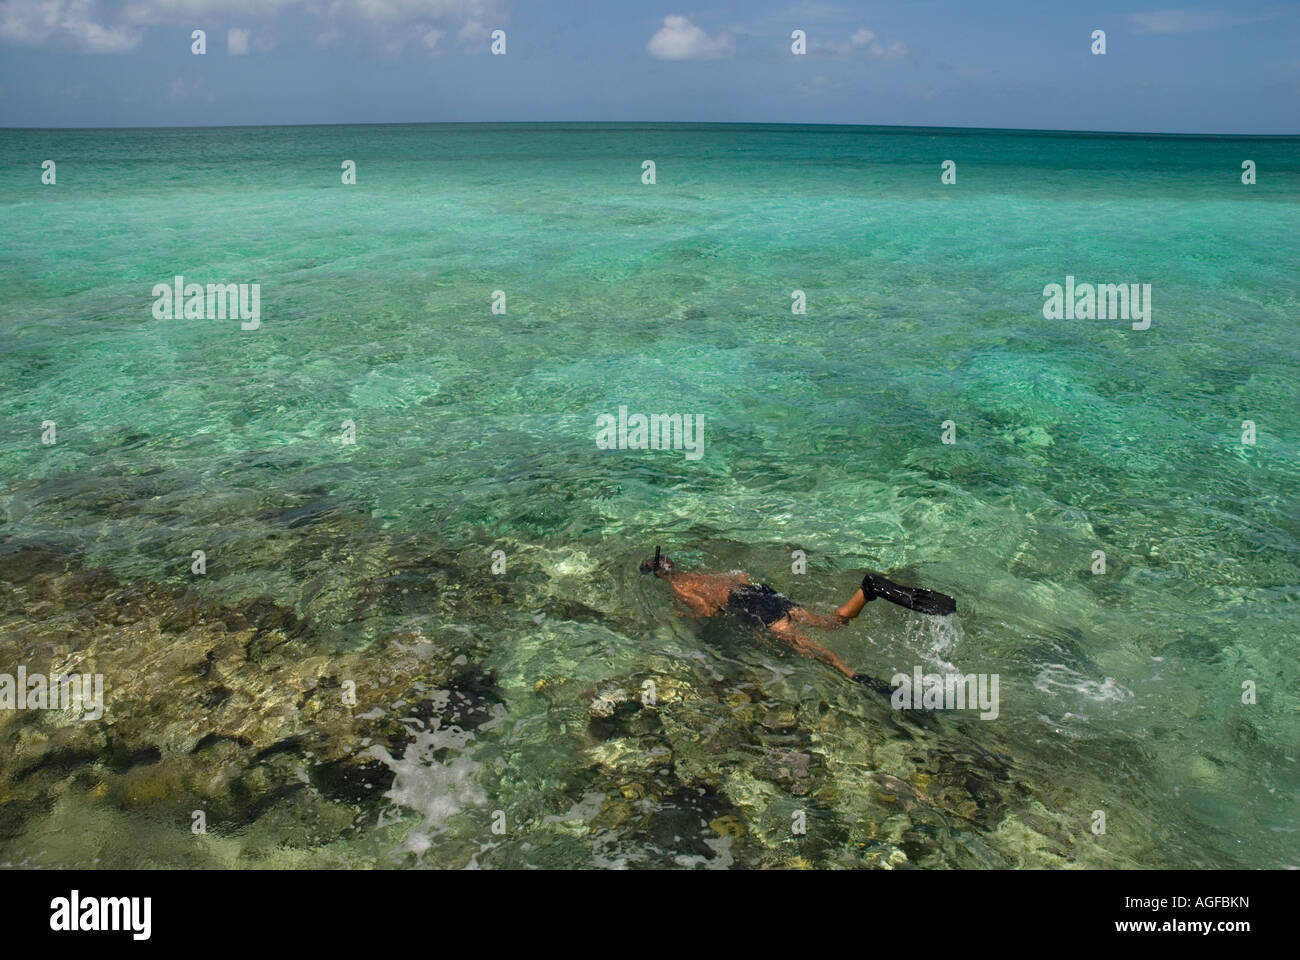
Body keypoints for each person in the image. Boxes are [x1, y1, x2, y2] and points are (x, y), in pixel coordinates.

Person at [639, 547, 955, 690]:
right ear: (671, 563)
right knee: (831, 622)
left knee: (817, 653)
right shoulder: (702, 573)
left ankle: (855, 677)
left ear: (658, 576)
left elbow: (707, 610)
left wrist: (682, 614)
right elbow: (743, 576)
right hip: (767, 595)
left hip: (755, 608)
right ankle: (867, 591)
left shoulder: (681, 586)